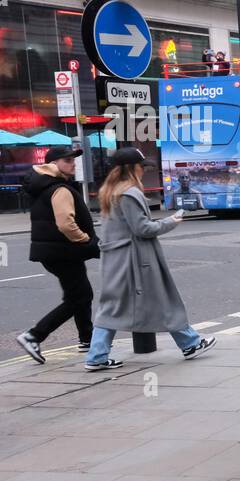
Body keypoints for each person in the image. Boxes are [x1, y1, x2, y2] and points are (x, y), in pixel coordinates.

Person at [84, 148, 216, 370]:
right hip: (134, 261)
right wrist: (171, 221)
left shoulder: (109, 190)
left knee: (114, 306)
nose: (143, 170)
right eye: (141, 166)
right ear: (132, 168)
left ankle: (97, 356)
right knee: (161, 300)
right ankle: (190, 343)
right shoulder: (128, 193)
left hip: (117, 259)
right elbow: (142, 228)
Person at [15, 145, 99, 364]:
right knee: (79, 297)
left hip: (54, 251)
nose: (73, 164)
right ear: (53, 164)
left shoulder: (45, 185)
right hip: (63, 251)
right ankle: (33, 335)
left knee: (80, 293)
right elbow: (66, 224)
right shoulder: (59, 189)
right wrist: (86, 240)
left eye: (74, 160)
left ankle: (87, 339)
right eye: (68, 160)